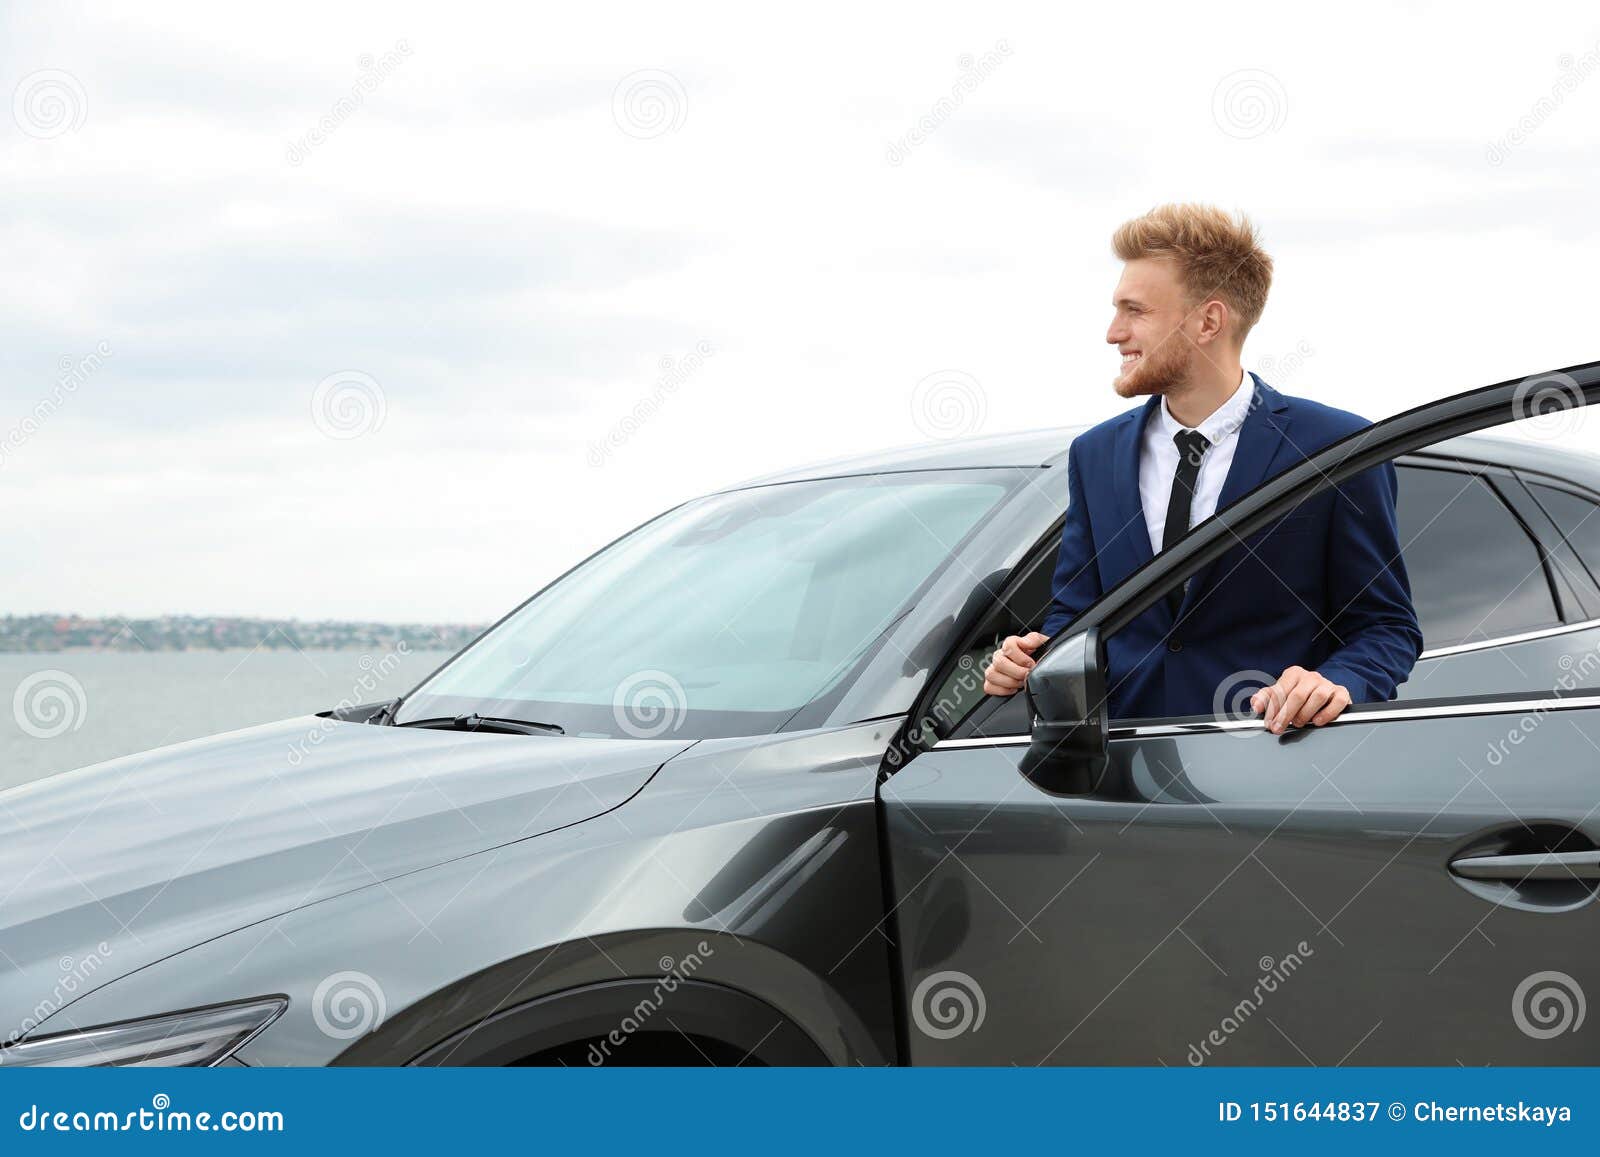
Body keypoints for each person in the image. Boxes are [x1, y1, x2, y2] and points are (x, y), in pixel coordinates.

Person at [983, 204, 1421, 732]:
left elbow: (1385, 626)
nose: (1112, 332)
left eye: (1134, 311)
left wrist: (1336, 681)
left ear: (1208, 321)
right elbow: (1077, 618)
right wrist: (1034, 655)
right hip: (1121, 776)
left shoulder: (1337, 446)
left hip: (1274, 770)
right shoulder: (1094, 454)